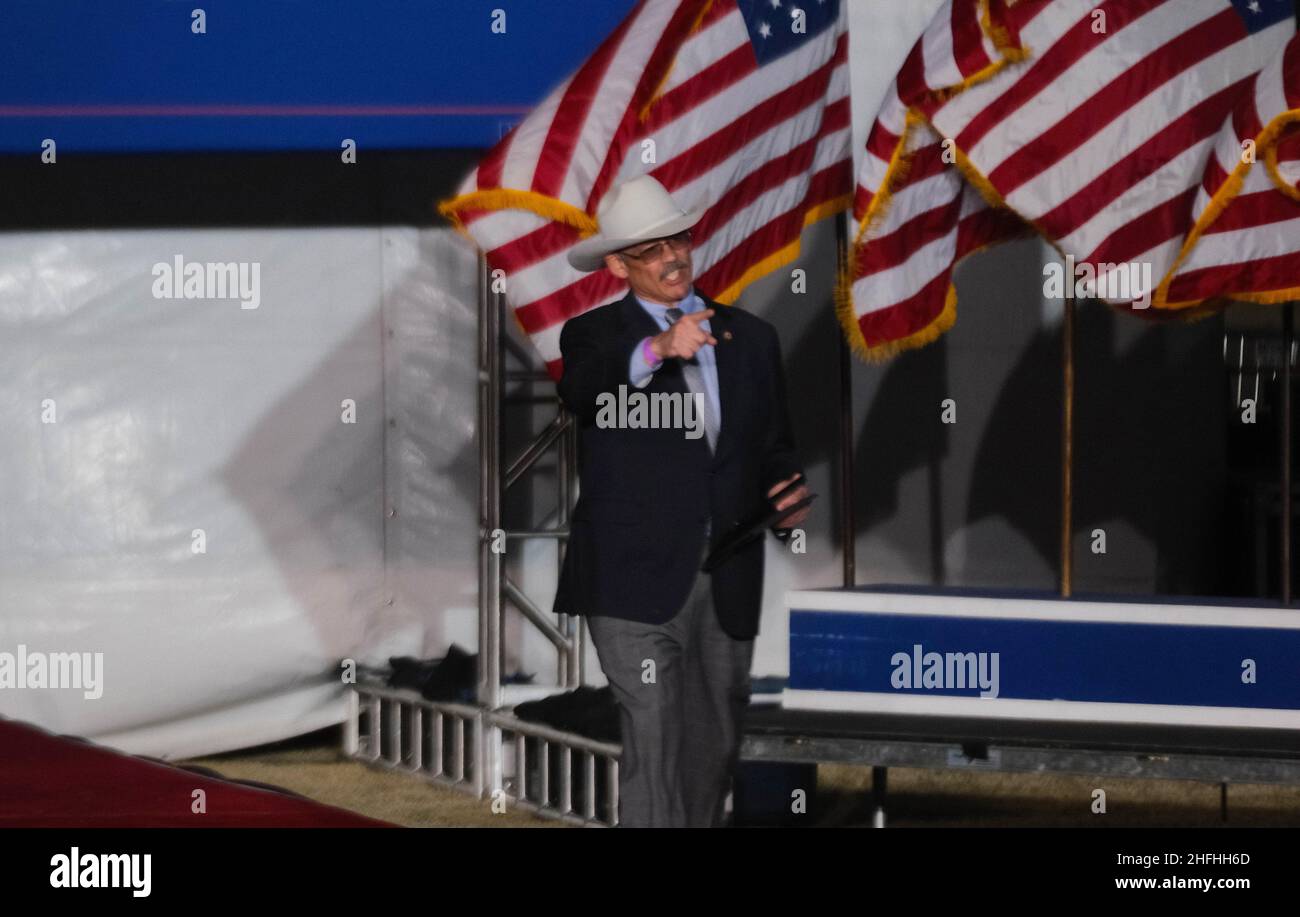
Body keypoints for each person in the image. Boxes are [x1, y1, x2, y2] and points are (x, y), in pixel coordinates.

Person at [553, 174, 810, 827]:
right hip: (630, 580)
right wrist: (659, 347)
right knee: (654, 735)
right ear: (616, 265)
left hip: (726, 571)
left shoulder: (751, 339)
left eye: (679, 239)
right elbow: (584, 393)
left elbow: (772, 447)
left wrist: (785, 492)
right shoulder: (595, 337)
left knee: (714, 745)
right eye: (650, 249)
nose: (673, 256)